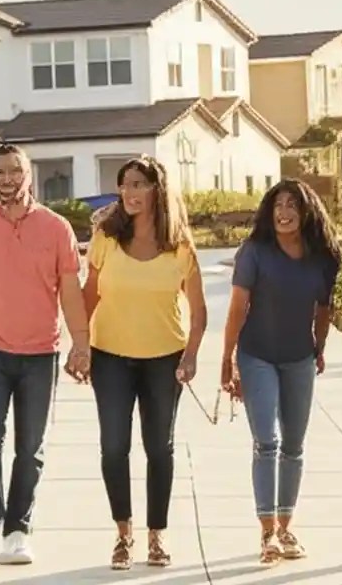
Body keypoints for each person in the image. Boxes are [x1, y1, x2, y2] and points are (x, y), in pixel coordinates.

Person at [0, 143, 91, 566]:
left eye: (15, 171)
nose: (7, 180)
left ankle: (18, 531)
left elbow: (69, 291)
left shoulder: (56, 228)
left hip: (39, 352)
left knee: (31, 446)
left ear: (29, 175)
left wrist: (81, 343)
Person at [82, 155, 206, 570]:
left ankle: (157, 536)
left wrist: (190, 356)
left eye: (138, 184)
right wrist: (80, 345)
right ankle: (123, 535)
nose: (130, 193)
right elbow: (88, 295)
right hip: (110, 357)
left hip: (163, 359)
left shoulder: (180, 246)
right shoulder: (106, 237)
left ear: (157, 190)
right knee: (114, 446)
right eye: (125, 185)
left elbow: (199, 310)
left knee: (159, 447)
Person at [220, 178, 341, 567]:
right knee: (267, 441)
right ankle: (267, 532)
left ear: (306, 212)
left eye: (293, 205)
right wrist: (228, 357)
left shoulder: (320, 257)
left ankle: (287, 527)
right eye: (278, 205)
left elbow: (324, 309)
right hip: (257, 356)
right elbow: (238, 307)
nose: (284, 212)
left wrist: (319, 348)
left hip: (299, 358)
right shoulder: (254, 252)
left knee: (294, 444)